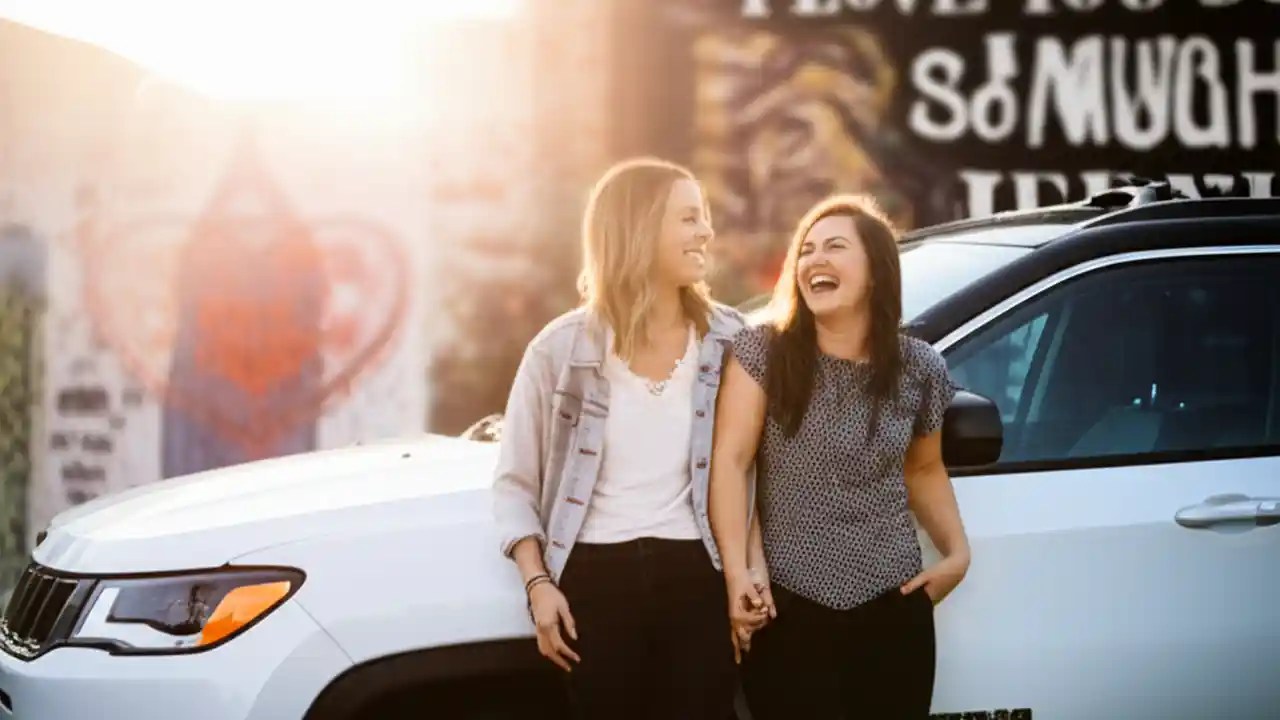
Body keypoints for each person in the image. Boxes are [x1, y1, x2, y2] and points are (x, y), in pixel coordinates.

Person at [491, 157, 748, 719]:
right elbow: (515, 484)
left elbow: (758, 465)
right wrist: (538, 585)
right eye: (687, 218)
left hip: (697, 574)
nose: (705, 231)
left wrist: (743, 577)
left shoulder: (732, 340)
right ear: (637, 227)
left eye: (702, 217)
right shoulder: (558, 350)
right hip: (594, 580)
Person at [708, 193, 970, 718]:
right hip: (787, 607)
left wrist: (957, 555)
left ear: (875, 271)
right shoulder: (762, 352)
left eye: (835, 247)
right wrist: (738, 574)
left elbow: (923, 468)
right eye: (805, 250)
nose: (814, 261)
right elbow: (731, 464)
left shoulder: (920, 366)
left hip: (893, 607)